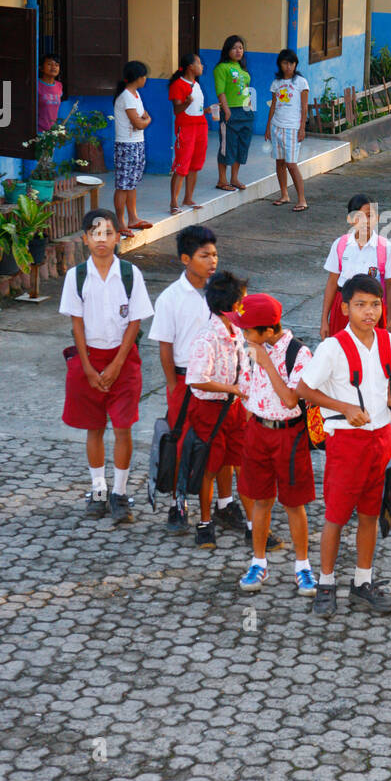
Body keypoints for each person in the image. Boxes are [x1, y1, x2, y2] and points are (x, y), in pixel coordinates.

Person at [298, 275, 391, 619]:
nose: (369, 312)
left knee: (371, 514)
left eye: (375, 305)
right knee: (336, 517)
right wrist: (343, 407)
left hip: (381, 439)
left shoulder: (390, 342)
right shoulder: (332, 348)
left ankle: (362, 581)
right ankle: (326, 583)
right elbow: (303, 389)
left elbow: (386, 387)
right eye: (360, 305)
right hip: (346, 441)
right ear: (344, 308)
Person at [59, 209, 153, 526]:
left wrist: (116, 364)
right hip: (89, 358)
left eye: (108, 233)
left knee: (123, 427)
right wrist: (87, 367)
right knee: (94, 427)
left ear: (117, 236)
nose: (102, 240)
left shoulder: (130, 274)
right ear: (85, 239)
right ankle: (99, 490)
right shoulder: (77, 277)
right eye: (95, 234)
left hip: (123, 360)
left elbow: (134, 323)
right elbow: (77, 325)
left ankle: (120, 493)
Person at [228, 293, 318, 598]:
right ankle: (258, 562)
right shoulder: (252, 347)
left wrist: (266, 363)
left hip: (289, 436)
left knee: (294, 503)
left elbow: (291, 399)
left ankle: (303, 566)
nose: (242, 335)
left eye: (247, 330)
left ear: (268, 331)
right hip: (257, 431)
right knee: (260, 500)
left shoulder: (299, 354)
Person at [148, 224, 219, 536]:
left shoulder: (221, 293)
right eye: (205, 256)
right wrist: (175, 385)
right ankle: (178, 503)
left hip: (218, 384)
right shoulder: (170, 298)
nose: (212, 261)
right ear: (185, 259)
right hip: (184, 382)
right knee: (181, 443)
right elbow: (165, 347)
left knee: (216, 444)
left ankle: (224, 503)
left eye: (215, 254)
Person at [183, 270, 250, 550]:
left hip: (233, 410)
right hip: (209, 410)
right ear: (233, 307)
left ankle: (251, 524)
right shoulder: (207, 337)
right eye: (243, 302)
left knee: (238, 463)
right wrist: (231, 389)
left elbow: (244, 368)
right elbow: (196, 379)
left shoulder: (236, 334)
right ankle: (205, 523)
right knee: (209, 467)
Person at [320, 193, 391, 338]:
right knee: (342, 353)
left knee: (371, 354)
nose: (365, 222)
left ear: (378, 218)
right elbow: (332, 283)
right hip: (343, 307)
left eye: (369, 216)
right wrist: (324, 320)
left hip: (372, 310)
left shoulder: (385, 248)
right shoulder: (340, 245)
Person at [265, 49, 309, 212]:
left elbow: (304, 107)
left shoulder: (301, 82)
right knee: (280, 162)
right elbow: (273, 106)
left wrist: (302, 127)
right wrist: (268, 127)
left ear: (295, 64)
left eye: (291, 63)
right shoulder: (276, 83)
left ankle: (302, 199)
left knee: (291, 164)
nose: (288, 66)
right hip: (277, 126)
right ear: (280, 64)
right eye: (285, 63)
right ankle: (284, 194)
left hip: (292, 128)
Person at [112, 61, 153, 238]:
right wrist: (146, 122)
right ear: (138, 77)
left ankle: (133, 217)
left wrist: (144, 121)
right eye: (144, 76)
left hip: (137, 143)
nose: (146, 79)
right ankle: (120, 222)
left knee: (132, 183)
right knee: (123, 184)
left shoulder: (136, 95)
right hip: (126, 145)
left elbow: (142, 119)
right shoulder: (126, 96)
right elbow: (139, 122)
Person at [168, 54, 208, 214]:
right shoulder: (178, 85)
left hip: (200, 126)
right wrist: (186, 102)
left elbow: (196, 109)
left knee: (195, 164)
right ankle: (174, 203)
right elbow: (177, 110)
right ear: (191, 67)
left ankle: (188, 198)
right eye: (199, 63)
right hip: (186, 127)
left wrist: (207, 110)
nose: (202, 66)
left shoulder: (196, 85)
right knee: (182, 164)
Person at [213, 35, 252, 192]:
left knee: (242, 145)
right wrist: (226, 109)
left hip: (246, 112)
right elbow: (220, 91)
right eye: (235, 48)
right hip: (230, 111)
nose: (238, 51)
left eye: (241, 48)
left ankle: (234, 178)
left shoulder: (242, 69)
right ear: (227, 49)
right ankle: (222, 180)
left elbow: (246, 89)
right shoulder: (222, 68)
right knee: (227, 145)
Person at [38, 54, 63, 132]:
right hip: (37, 131)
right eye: (49, 64)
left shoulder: (59, 85)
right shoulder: (36, 84)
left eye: (56, 65)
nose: (54, 67)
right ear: (41, 68)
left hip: (52, 132)